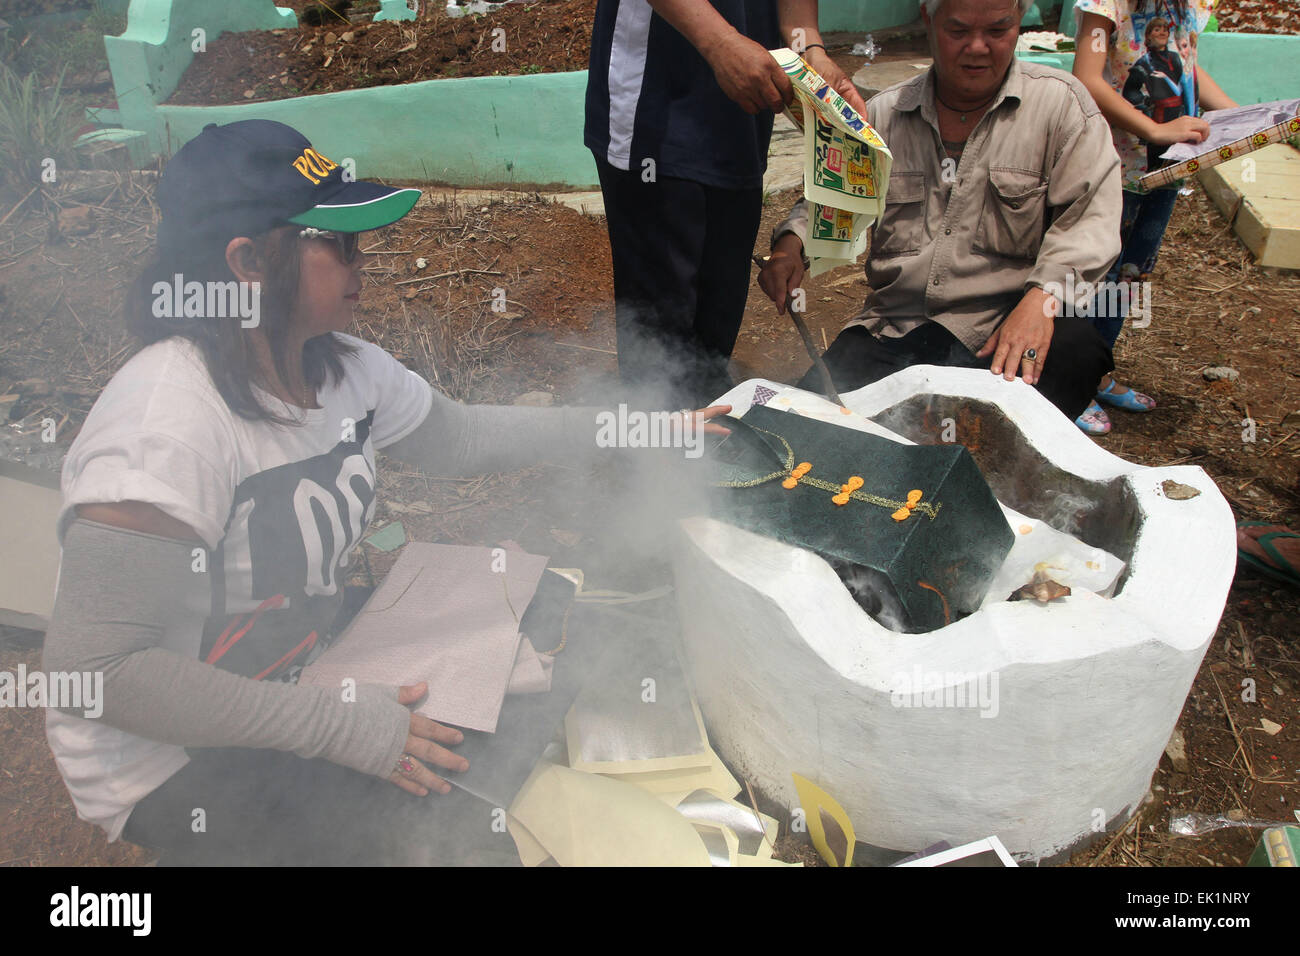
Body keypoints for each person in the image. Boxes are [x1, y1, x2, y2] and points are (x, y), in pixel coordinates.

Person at [41, 120, 727, 865]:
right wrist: (340, 727)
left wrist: (643, 428)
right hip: (177, 761)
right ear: (245, 261)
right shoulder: (164, 428)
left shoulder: (339, 368)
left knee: (553, 619)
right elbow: (98, 675)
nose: (361, 264)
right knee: (453, 842)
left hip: (307, 665)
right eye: (336, 244)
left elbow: (462, 438)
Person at [758, 0, 1121, 423]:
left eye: (998, 30)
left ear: (1019, 20)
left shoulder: (1062, 106)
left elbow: (1091, 218)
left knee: (1075, 349)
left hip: (999, 330)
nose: (978, 48)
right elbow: (832, 203)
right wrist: (789, 248)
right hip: (895, 330)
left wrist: (1042, 300)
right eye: (959, 31)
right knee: (809, 431)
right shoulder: (885, 115)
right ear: (929, 20)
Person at [585, 0, 867, 408]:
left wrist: (809, 51)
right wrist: (719, 43)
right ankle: (653, 458)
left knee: (715, 328)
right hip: (655, 111)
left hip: (745, 116)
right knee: (659, 343)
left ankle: (702, 450)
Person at [1072, 0, 1236, 434]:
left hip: (1164, 170)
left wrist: (1240, 118)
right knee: (1091, 279)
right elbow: (1087, 78)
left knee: (1128, 278)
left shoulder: (1188, 5)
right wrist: (1153, 130)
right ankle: (1069, 382)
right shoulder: (1106, 6)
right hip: (1110, 171)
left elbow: (1189, 73)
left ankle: (1098, 373)